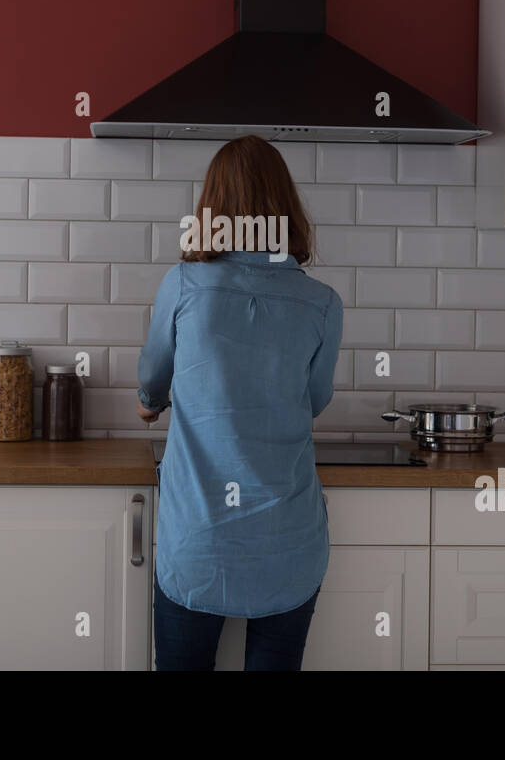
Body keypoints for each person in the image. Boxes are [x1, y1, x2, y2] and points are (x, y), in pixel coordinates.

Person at [138, 135, 343, 671]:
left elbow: (153, 377)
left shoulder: (183, 285)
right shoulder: (322, 303)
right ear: (287, 209)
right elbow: (313, 401)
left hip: (198, 543)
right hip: (287, 543)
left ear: (212, 208)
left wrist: (152, 402)